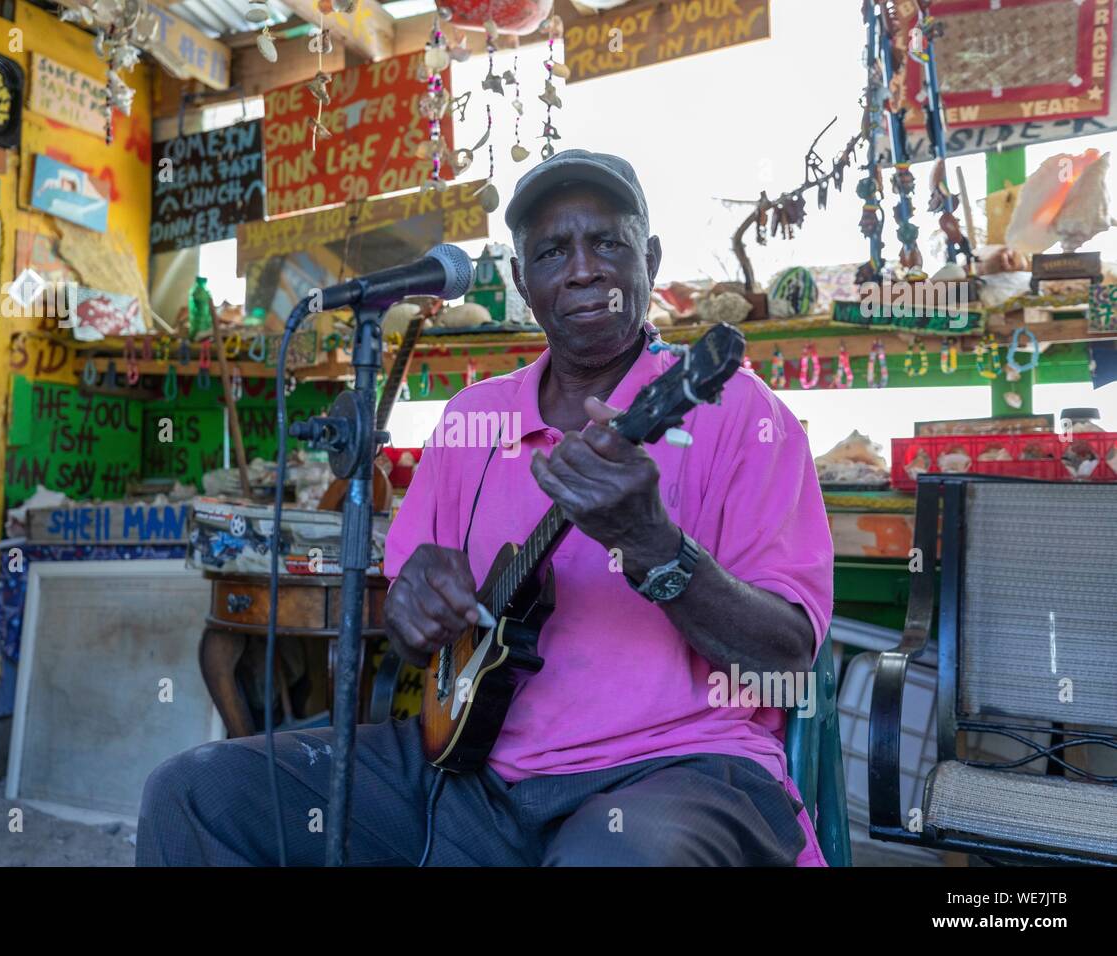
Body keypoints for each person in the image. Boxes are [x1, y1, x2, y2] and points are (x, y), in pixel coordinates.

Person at [137, 150, 834, 867]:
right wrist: (413, 608)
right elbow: (414, 640)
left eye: (608, 243)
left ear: (650, 258)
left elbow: (786, 657)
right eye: (553, 251)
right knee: (196, 793)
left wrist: (655, 547)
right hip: (470, 768)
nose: (584, 268)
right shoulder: (473, 419)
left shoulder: (740, 412)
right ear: (521, 280)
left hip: (676, 770)